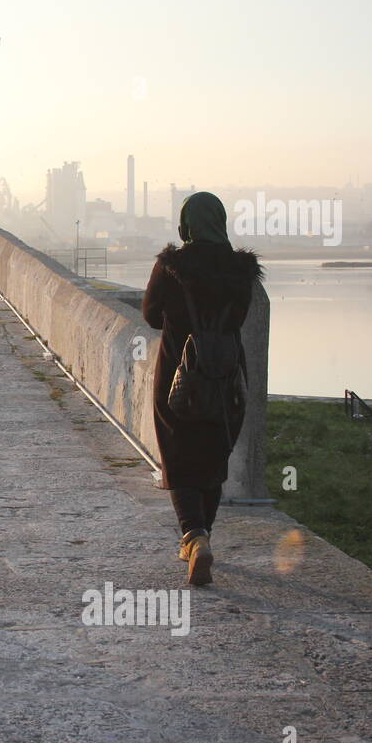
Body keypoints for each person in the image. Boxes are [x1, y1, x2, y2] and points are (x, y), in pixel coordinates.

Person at [142, 191, 263, 586]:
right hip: (226, 375)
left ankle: (193, 536)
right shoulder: (241, 270)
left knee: (179, 452)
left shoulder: (171, 266)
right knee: (214, 450)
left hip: (179, 373)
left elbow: (150, 316)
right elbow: (240, 316)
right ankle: (204, 534)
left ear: (187, 223)